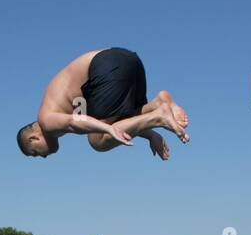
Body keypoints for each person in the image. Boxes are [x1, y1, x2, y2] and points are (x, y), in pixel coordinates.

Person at [16, 49, 189, 160]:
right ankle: (158, 104)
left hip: (104, 68)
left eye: (35, 153)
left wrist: (107, 130)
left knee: (97, 141)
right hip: (127, 60)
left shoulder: (46, 120)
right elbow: (115, 122)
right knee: (114, 123)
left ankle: (158, 116)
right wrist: (151, 136)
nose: (43, 157)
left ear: (34, 138)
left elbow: (74, 122)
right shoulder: (61, 106)